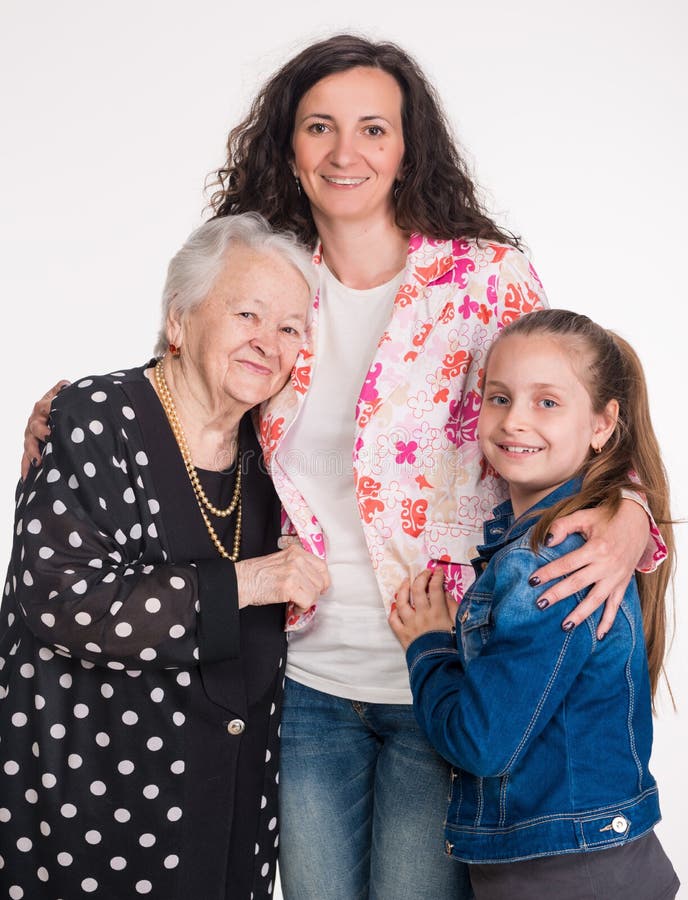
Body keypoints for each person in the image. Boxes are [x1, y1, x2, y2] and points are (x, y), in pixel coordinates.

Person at [21, 35, 665, 900]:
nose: (344, 152)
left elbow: (565, 403)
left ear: (407, 147)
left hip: (443, 678)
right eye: (319, 126)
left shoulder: (486, 279)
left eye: (373, 128)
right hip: (303, 682)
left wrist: (632, 513)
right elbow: (190, 390)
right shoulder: (274, 276)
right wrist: (76, 412)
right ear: (289, 146)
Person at [0, 213, 330, 900]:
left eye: (290, 328)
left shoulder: (273, 451)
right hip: (94, 798)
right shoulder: (96, 416)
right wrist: (246, 583)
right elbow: (60, 599)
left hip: (227, 798)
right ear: (178, 320)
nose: (268, 343)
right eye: (247, 314)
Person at [389, 309, 679, 900]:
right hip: (582, 860)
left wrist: (429, 647)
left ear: (602, 424)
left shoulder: (550, 560)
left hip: (567, 874)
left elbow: (484, 743)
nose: (514, 419)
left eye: (547, 402)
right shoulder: (557, 538)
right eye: (499, 398)